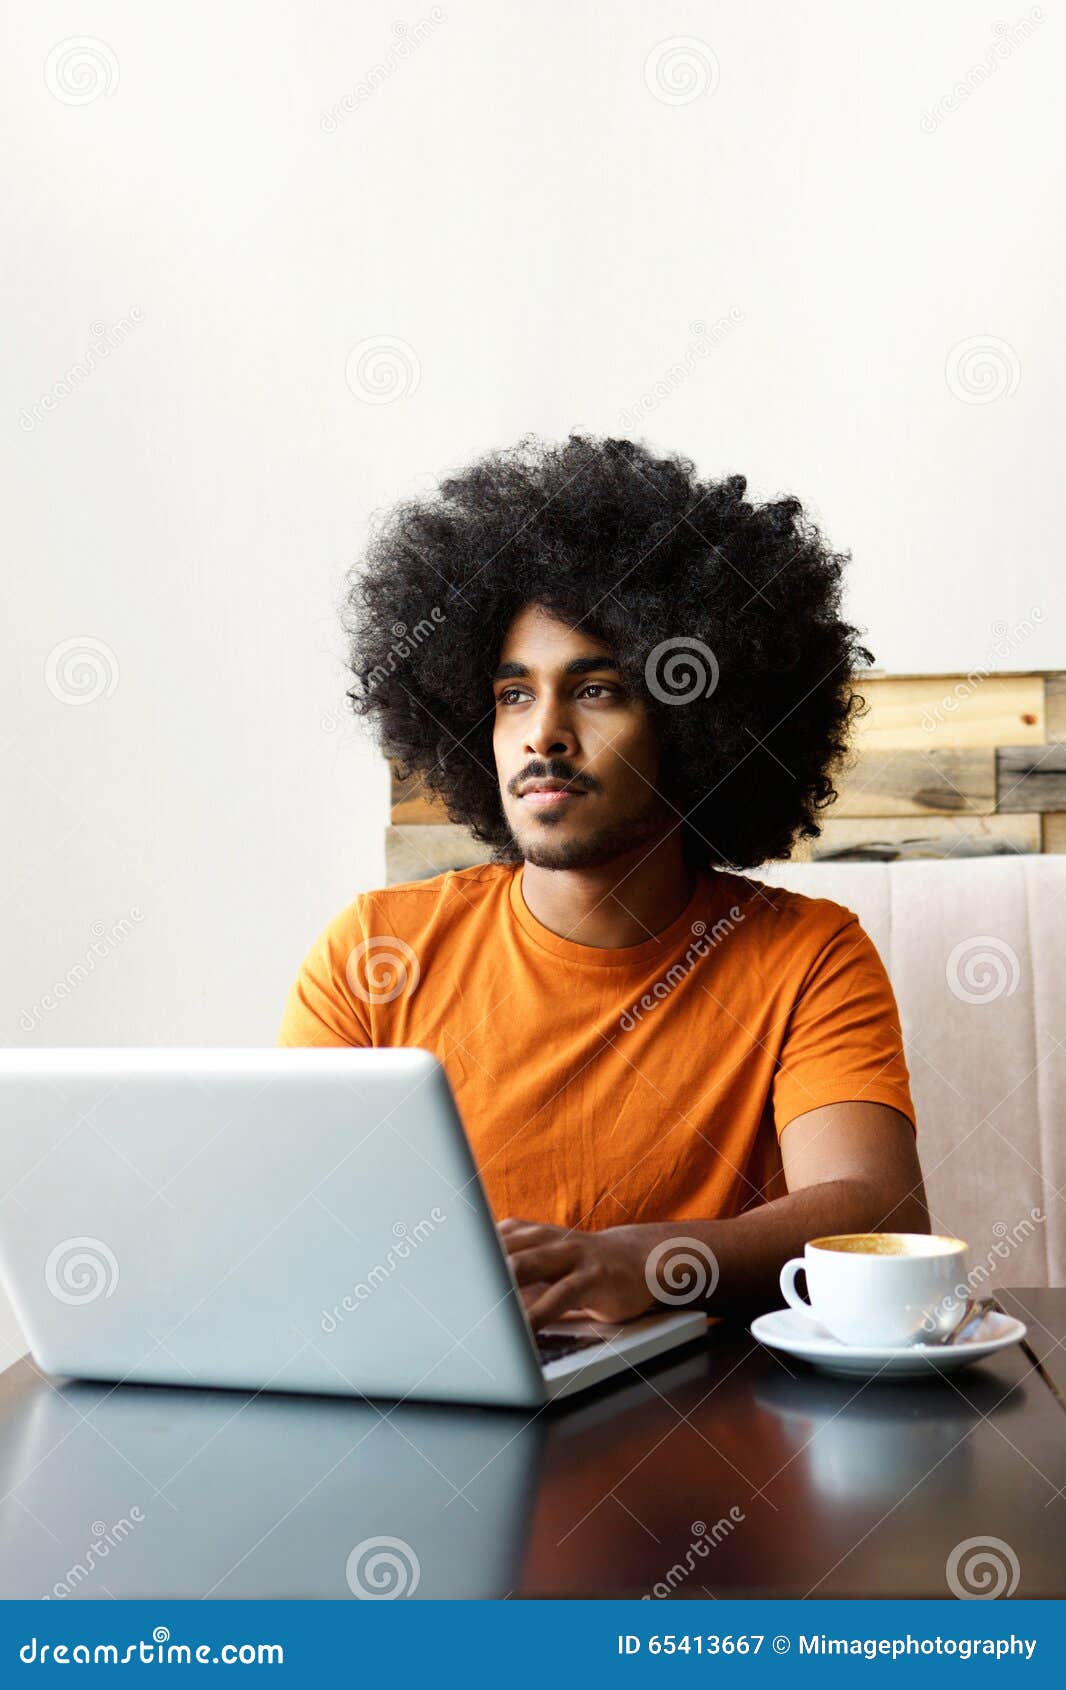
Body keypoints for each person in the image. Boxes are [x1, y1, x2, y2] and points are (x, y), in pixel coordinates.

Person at [278, 433, 929, 1326]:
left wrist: (646, 1263)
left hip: (723, 1430)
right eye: (513, 695)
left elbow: (878, 1210)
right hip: (437, 1413)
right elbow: (297, 1229)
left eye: (596, 690)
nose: (543, 732)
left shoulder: (806, 958)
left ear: (696, 723)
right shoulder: (373, 952)